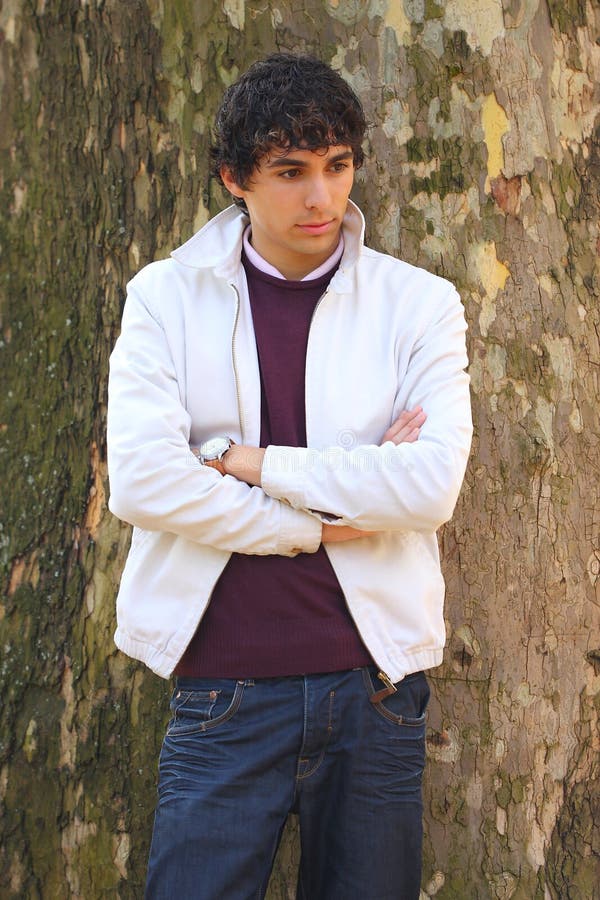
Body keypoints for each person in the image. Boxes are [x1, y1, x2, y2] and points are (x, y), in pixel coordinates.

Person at [107, 52, 472, 900]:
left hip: (374, 691)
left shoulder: (419, 304)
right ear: (236, 178)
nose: (321, 198)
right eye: (291, 172)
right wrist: (312, 523)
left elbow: (428, 489)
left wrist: (248, 461)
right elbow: (142, 483)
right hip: (222, 690)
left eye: (338, 166)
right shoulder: (166, 298)